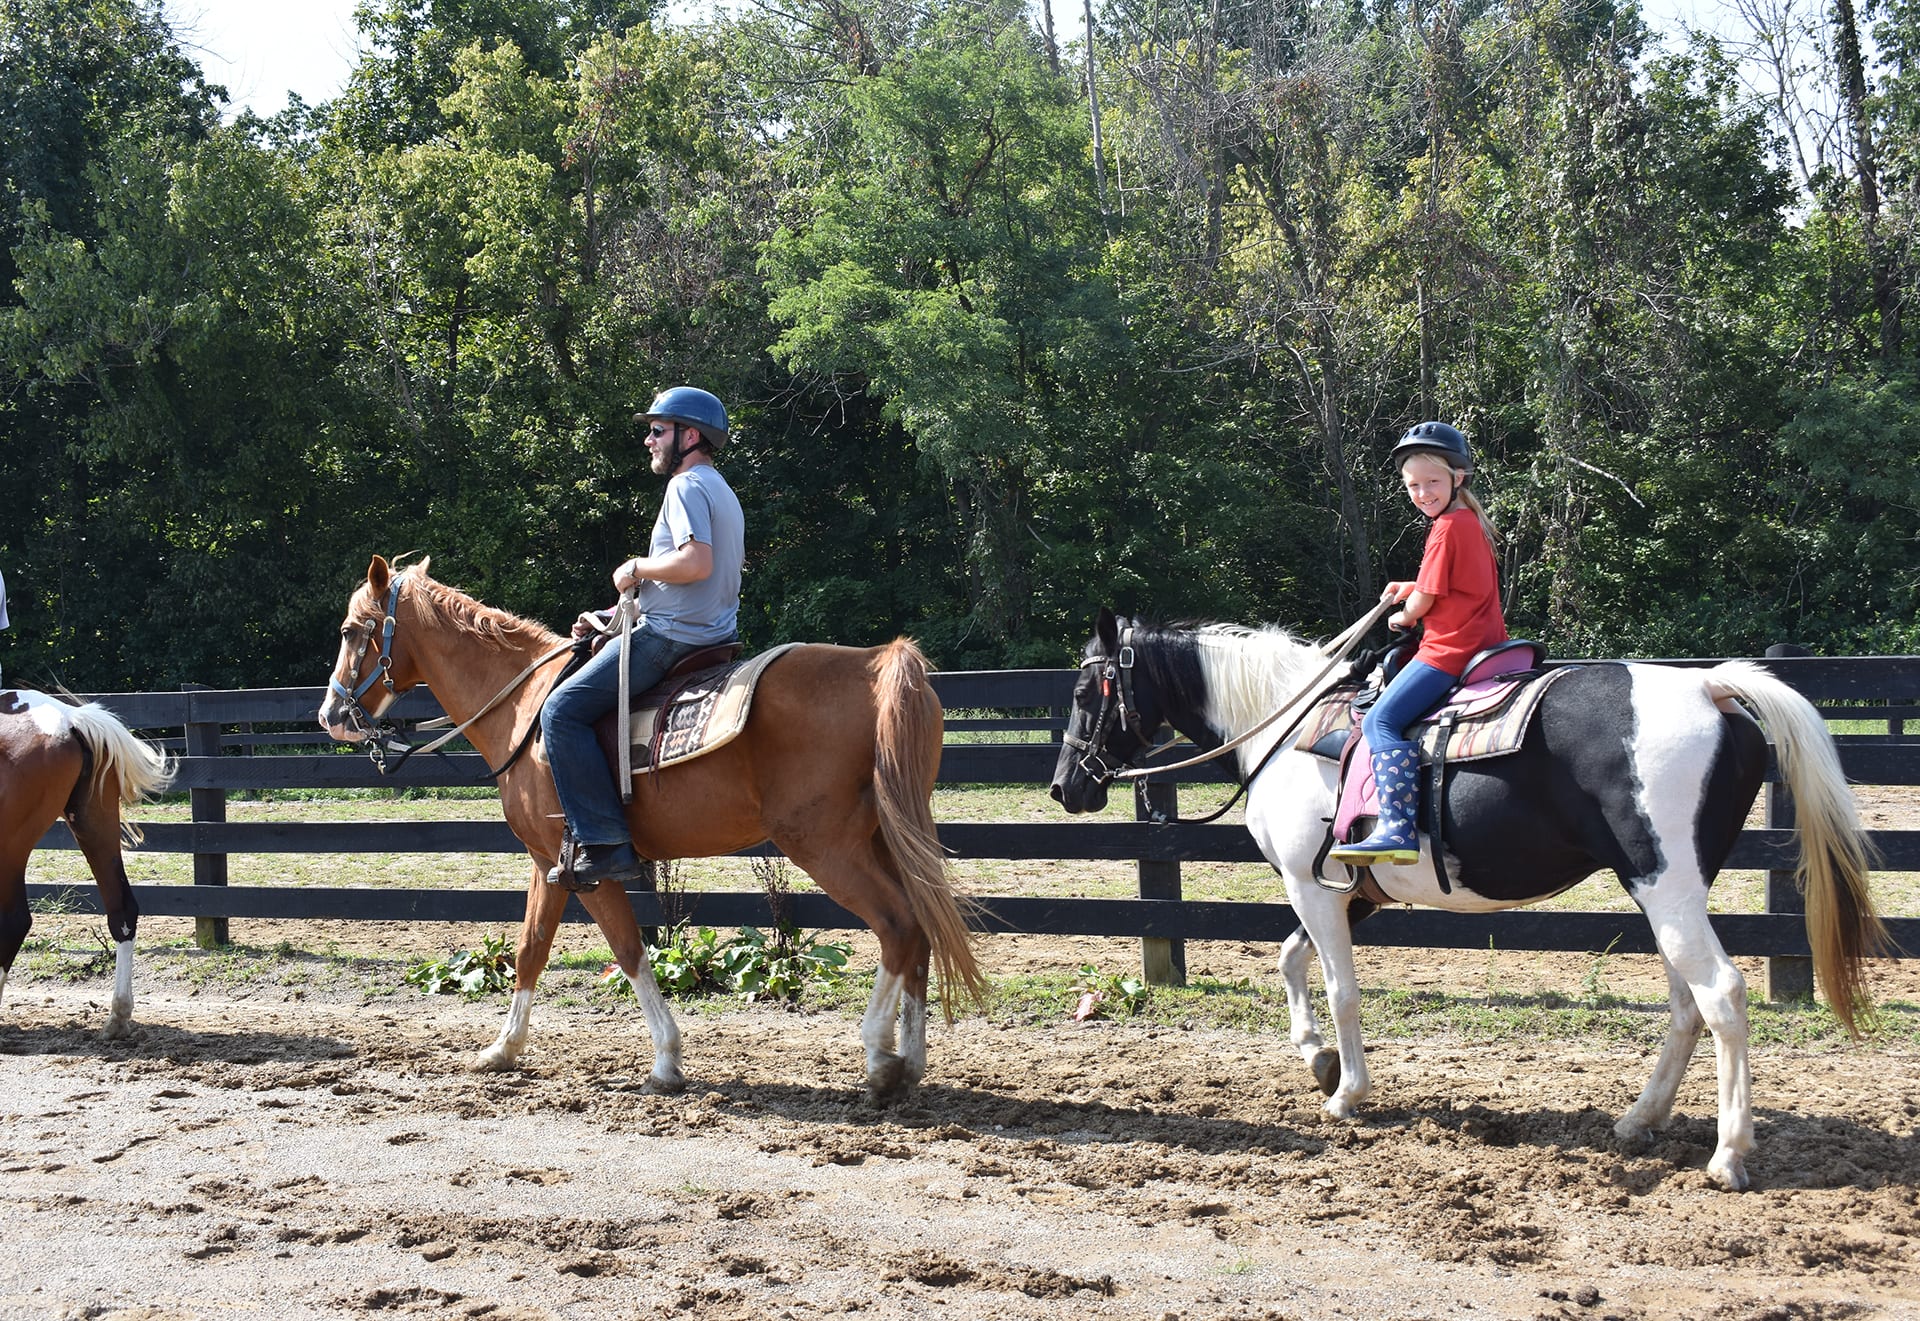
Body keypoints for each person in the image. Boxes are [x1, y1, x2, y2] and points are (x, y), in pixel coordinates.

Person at [540, 387, 745, 889]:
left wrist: (633, 566)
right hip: (710, 634)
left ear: (689, 436)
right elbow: (689, 582)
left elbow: (696, 564)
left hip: (672, 639)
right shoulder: (721, 489)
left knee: (560, 713)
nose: (649, 441)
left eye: (658, 430)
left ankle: (605, 843)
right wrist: (611, 613)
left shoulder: (685, 486)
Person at [1328, 421, 1507, 867]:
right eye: (1414, 485)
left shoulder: (1446, 527)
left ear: (1457, 478)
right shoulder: (1469, 522)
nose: (1423, 492)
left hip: (1449, 650)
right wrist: (1410, 586)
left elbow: (1428, 599)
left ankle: (1396, 826)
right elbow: (1452, 585)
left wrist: (1404, 614)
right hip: (1484, 642)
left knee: (1380, 723)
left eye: (1432, 482)